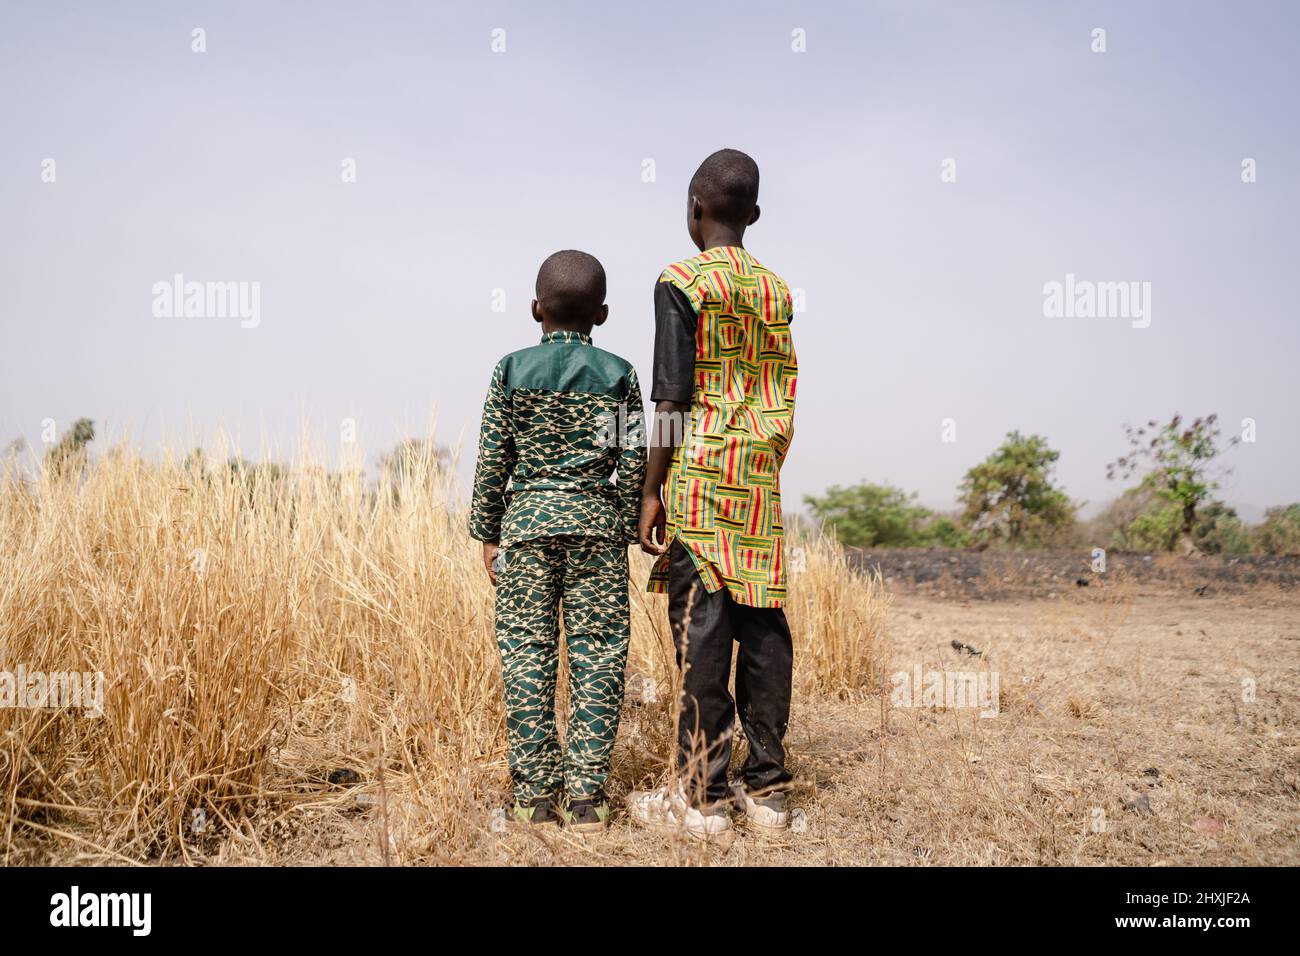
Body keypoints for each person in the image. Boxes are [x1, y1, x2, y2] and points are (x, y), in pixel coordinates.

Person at [629, 149, 798, 841]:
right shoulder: (776, 289)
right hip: (757, 478)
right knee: (763, 631)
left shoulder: (681, 281)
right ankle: (768, 793)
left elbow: (669, 392)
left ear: (694, 207)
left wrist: (649, 489)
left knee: (703, 629)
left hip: (699, 478)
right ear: (752, 214)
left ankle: (700, 799)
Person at [469, 250, 645, 833]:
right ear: (602, 313)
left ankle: (536, 799)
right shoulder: (620, 373)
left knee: (527, 655)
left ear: (534, 308)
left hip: (524, 530)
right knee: (599, 655)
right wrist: (621, 525)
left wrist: (488, 532)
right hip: (596, 526)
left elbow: (495, 457)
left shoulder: (510, 368)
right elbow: (635, 462)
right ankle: (588, 799)